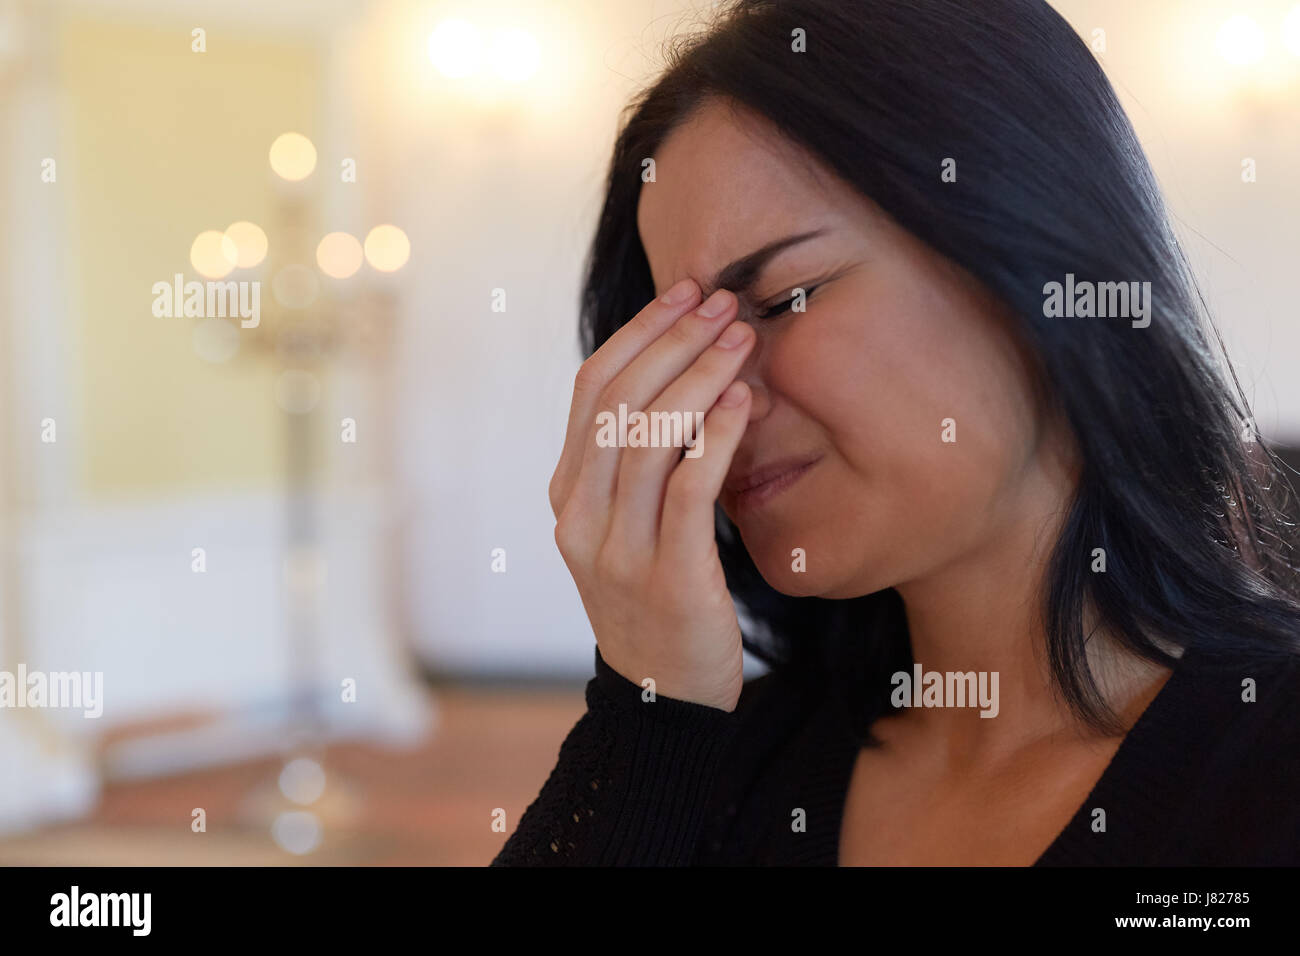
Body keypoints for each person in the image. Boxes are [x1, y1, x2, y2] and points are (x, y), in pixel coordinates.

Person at [492, 0, 1300, 866]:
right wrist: (647, 713)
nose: (712, 397)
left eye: (786, 298)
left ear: (1036, 252)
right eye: (677, 342)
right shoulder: (709, 766)